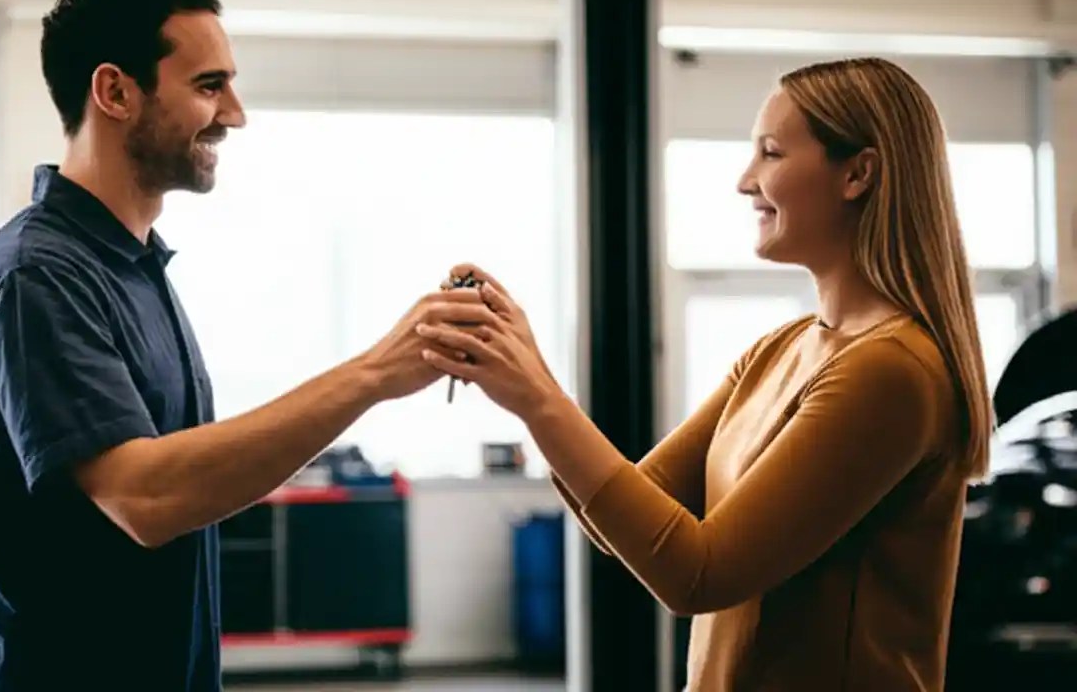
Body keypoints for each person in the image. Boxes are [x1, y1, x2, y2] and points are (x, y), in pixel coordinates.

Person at [0, 0, 477, 690]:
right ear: (115, 92)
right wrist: (376, 373)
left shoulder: (134, 268)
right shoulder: (37, 275)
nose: (235, 114)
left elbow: (186, 476)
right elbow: (145, 498)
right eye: (208, 85)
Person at [419, 57, 992, 691]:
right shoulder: (781, 349)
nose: (746, 182)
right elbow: (628, 519)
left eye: (771, 153)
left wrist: (537, 397)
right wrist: (528, 372)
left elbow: (697, 574)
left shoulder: (890, 372)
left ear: (858, 173)